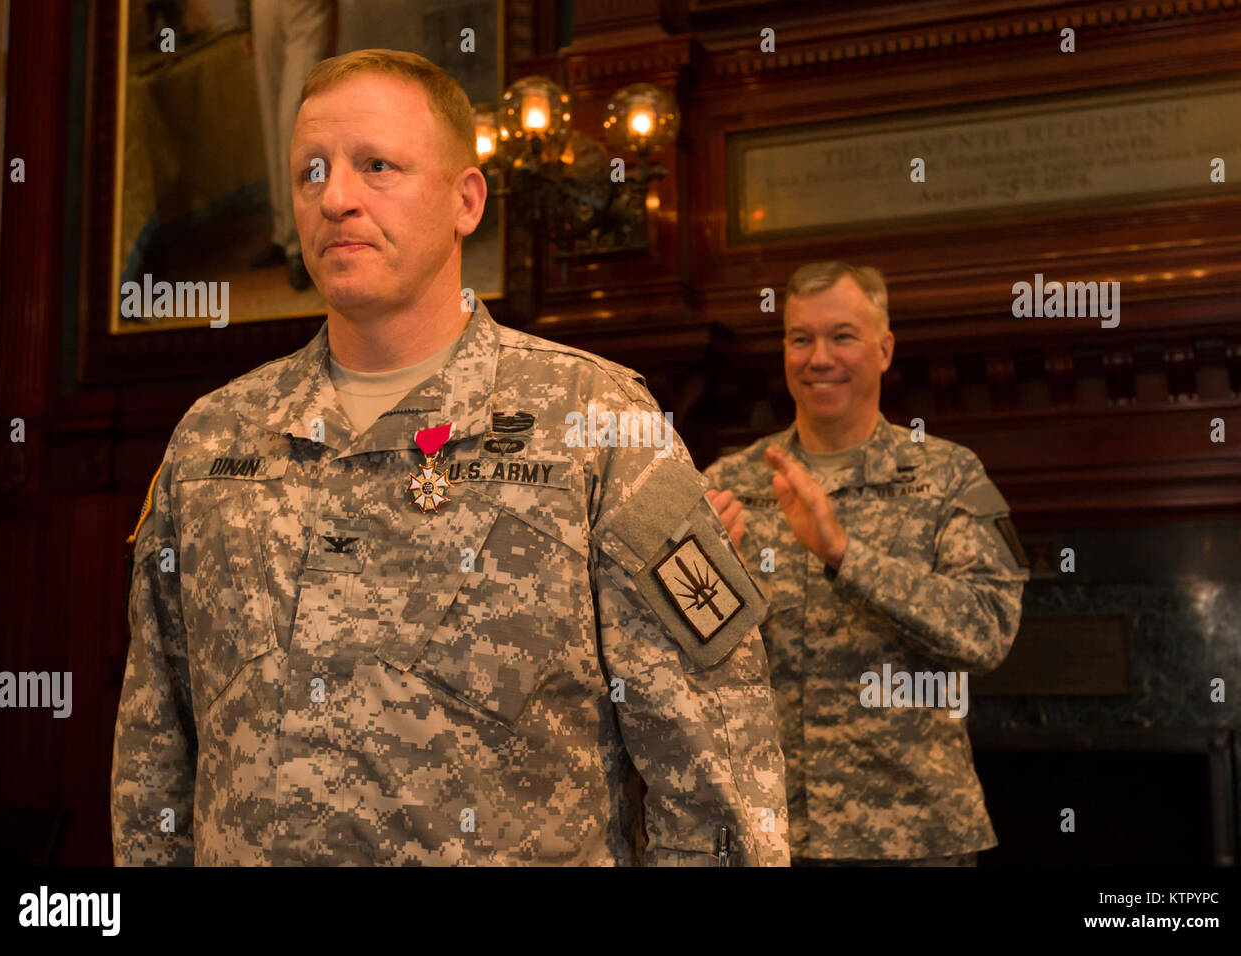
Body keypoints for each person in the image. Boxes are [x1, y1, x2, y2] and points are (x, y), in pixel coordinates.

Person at [111, 49, 788, 866]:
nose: (336, 198)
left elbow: (713, 771)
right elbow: (154, 756)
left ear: (467, 200)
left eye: (377, 166)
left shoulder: (600, 423)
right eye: (312, 173)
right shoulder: (214, 440)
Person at [704, 262, 1029, 866]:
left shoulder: (949, 475)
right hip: (762, 833)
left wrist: (845, 556)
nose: (818, 357)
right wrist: (701, 582)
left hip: (911, 835)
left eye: (842, 336)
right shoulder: (725, 484)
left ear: (884, 349)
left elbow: (986, 632)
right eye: (800, 338)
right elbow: (675, 655)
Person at [237, 0, 335, 290]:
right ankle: (283, 235)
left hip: (306, 8)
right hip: (263, 8)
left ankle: (302, 244)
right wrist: (245, 19)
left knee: (295, 116)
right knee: (270, 112)